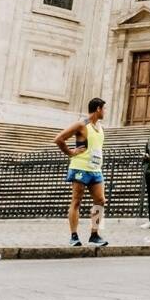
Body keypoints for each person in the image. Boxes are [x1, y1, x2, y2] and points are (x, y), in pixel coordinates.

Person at [55, 97, 110, 248]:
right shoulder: (81, 124)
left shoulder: (99, 127)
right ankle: (74, 236)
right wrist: (71, 152)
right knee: (76, 200)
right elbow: (59, 139)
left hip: (95, 169)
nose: (105, 112)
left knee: (100, 200)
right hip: (80, 167)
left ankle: (94, 234)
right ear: (98, 109)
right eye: (104, 109)